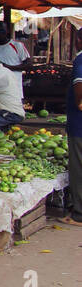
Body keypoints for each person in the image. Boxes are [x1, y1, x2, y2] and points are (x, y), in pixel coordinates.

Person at [61, 29, 82, 227]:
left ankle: (79, 214)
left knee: (78, 168)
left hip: (79, 125)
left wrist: (79, 103)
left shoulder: (80, 60)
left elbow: (79, 87)